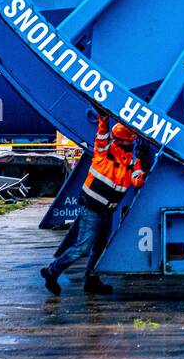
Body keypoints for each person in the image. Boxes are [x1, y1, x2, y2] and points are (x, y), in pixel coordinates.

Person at [41, 113, 145, 295]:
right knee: (83, 247)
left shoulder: (132, 161)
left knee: (99, 248)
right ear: (120, 140)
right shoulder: (103, 153)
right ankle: (52, 271)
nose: (131, 144)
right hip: (93, 208)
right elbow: (101, 137)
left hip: (107, 211)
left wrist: (140, 173)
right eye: (130, 141)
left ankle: (92, 281)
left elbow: (136, 180)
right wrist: (103, 120)